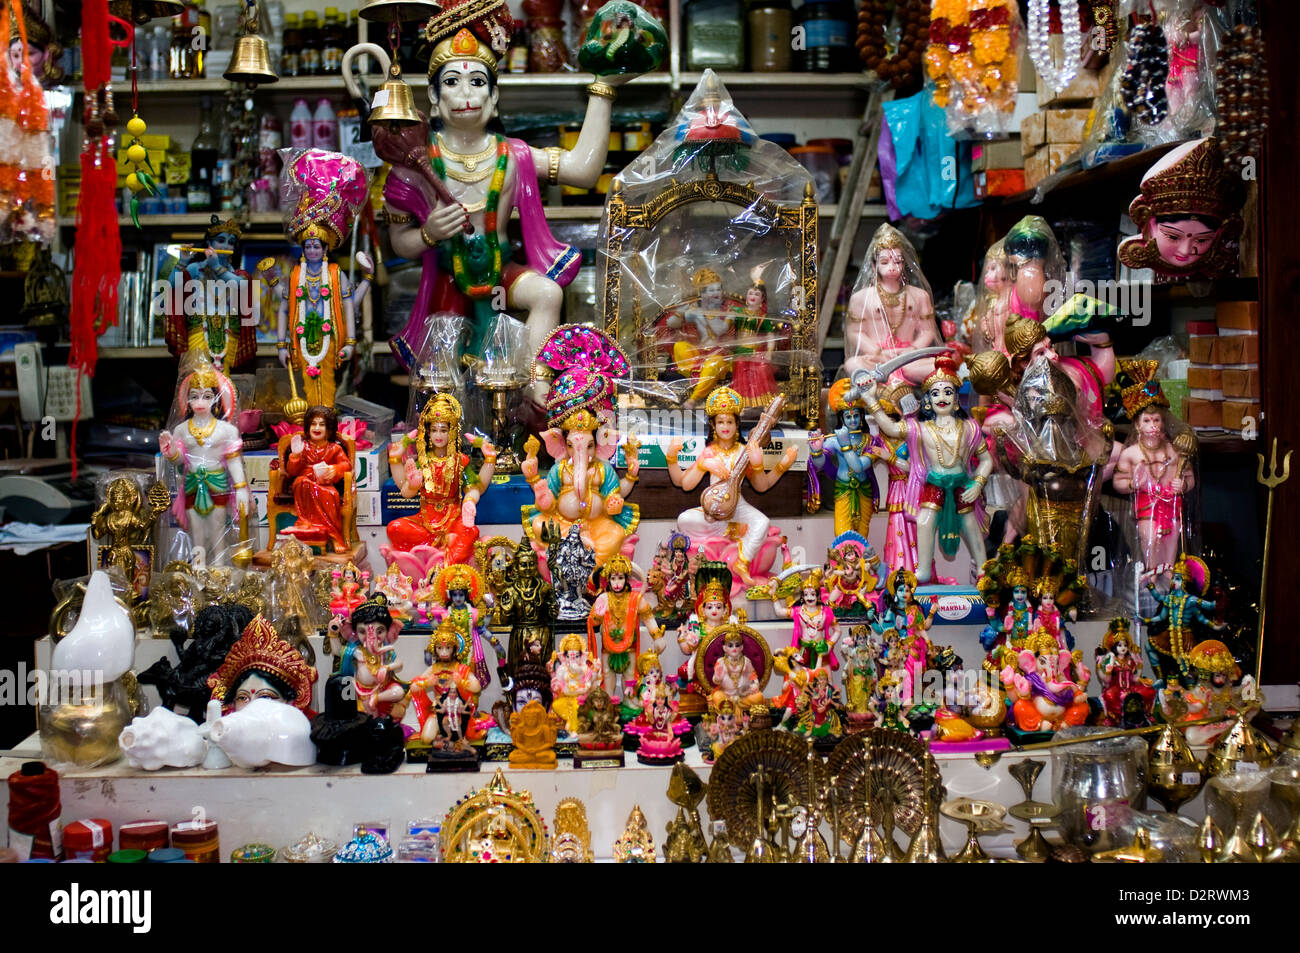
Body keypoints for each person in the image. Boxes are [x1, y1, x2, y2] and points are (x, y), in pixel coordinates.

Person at [864, 356, 993, 583]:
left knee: (970, 525)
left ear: (956, 398)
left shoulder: (970, 428)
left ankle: (983, 569)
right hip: (934, 484)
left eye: (947, 392)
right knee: (924, 522)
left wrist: (978, 483)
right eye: (935, 393)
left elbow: (986, 460)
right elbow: (891, 428)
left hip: (963, 486)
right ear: (928, 401)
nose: (941, 398)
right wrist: (870, 398)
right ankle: (923, 571)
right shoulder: (920, 429)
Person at [668, 386, 797, 585]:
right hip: (714, 508)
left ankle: (742, 562)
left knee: (762, 522)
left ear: (737, 424)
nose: (725, 426)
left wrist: (764, 464)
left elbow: (762, 486)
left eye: (730, 421)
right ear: (713, 425)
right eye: (720, 422)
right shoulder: (709, 452)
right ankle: (733, 530)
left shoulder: (744, 450)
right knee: (684, 519)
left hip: (738, 506)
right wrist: (685, 460)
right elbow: (686, 484)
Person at [158, 359, 252, 564]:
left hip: (217, 483)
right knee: (196, 530)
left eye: (207, 396)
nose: (200, 401)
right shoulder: (182, 430)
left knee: (217, 527)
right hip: (192, 483)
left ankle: (218, 566)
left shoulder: (226, 430)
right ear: (188, 401)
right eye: (194, 396)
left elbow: (234, 461)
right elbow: (181, 460)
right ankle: (199, 566)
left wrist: (242, 487)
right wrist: (172, 452)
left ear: (216, 400)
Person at [282, 405, 352, 554]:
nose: (317, 428)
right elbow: (291, 471)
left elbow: (346, 465)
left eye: (322, 424)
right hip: (303, 484)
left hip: (325, 485)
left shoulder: (334, 448)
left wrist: (335, 469)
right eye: (313, 424)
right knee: (302, 482)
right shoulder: (303, 447)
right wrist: (295, 456)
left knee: (331, 496)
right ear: (308, 427)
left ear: (329, 429)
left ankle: (333, 535)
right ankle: (305, 522)